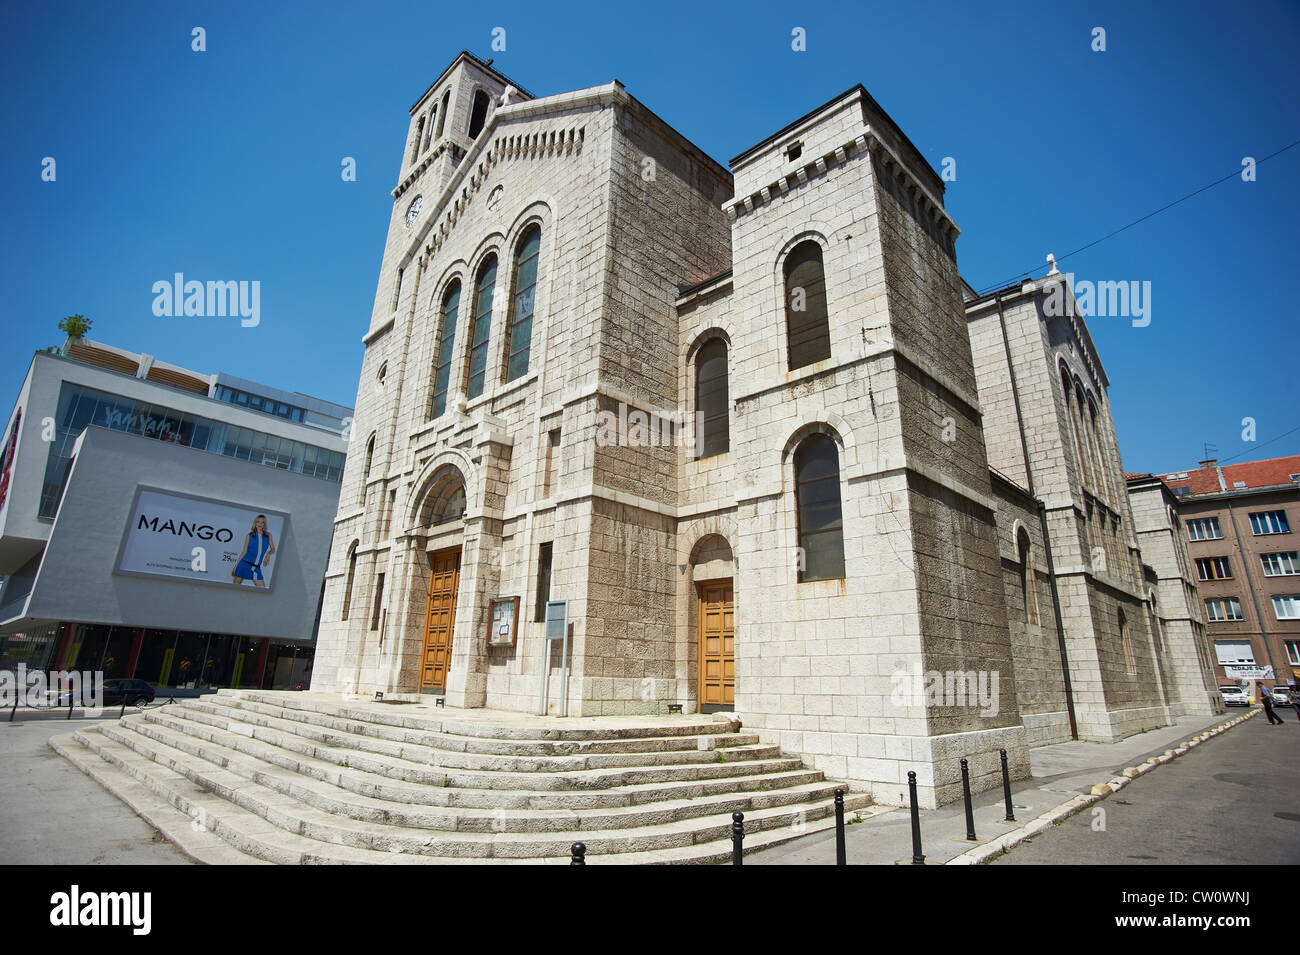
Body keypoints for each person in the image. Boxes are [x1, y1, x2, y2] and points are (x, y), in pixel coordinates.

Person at [231, 514, 275, 588]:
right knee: (234, 589)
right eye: (258, 522)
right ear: (255, 523)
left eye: (262, 522)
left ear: (264, 524)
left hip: (256, 568)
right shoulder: (249, 535)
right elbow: (244, 551)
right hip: (244, 565)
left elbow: (273, 549)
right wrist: (235, 566)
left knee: (263, 591)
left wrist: (268, 554)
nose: (260, 524)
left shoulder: (268, 535)